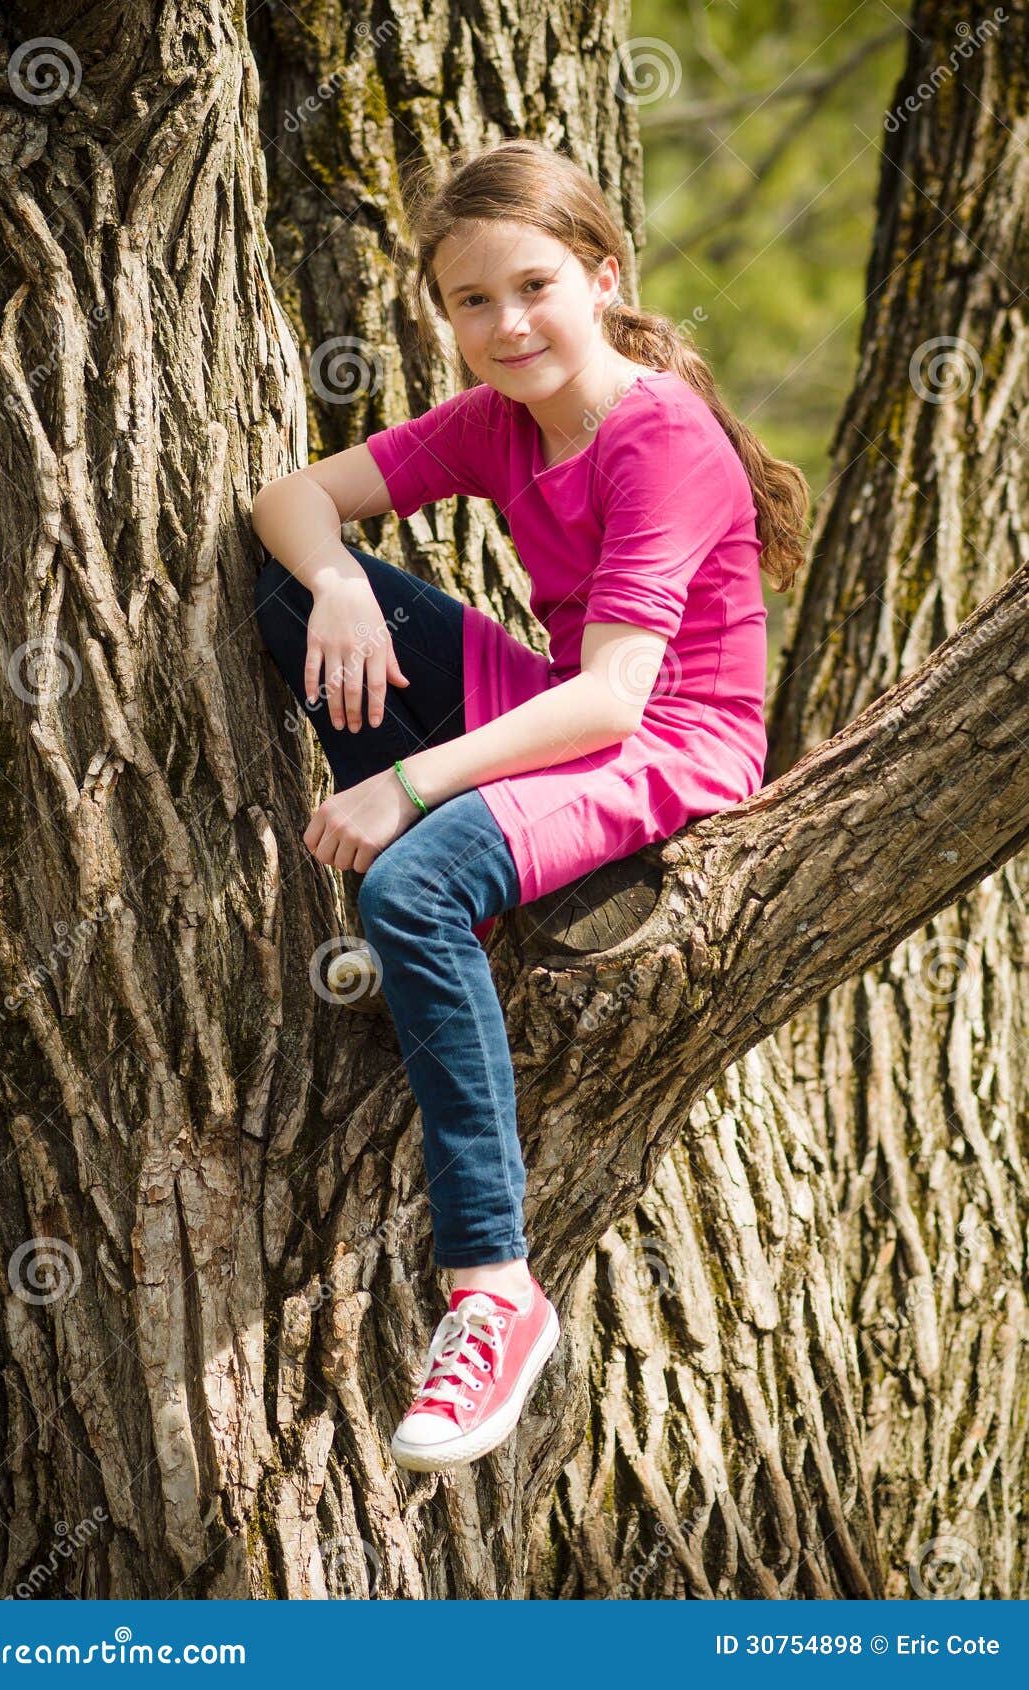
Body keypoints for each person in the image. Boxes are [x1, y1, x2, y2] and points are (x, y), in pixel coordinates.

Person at [251, 138, 811, 1474]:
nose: (507, 326)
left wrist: (405, 785)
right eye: (472, 302)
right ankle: (463, 909)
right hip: (558, 704)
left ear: (604, 277)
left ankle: (495, 1290)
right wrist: (340, 583)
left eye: (535, 287)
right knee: (285, 588)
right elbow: (291, 498)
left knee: (412, 884)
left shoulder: (659, 436)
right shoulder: (497, 422)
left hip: (668, 741)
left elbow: (618, 701)